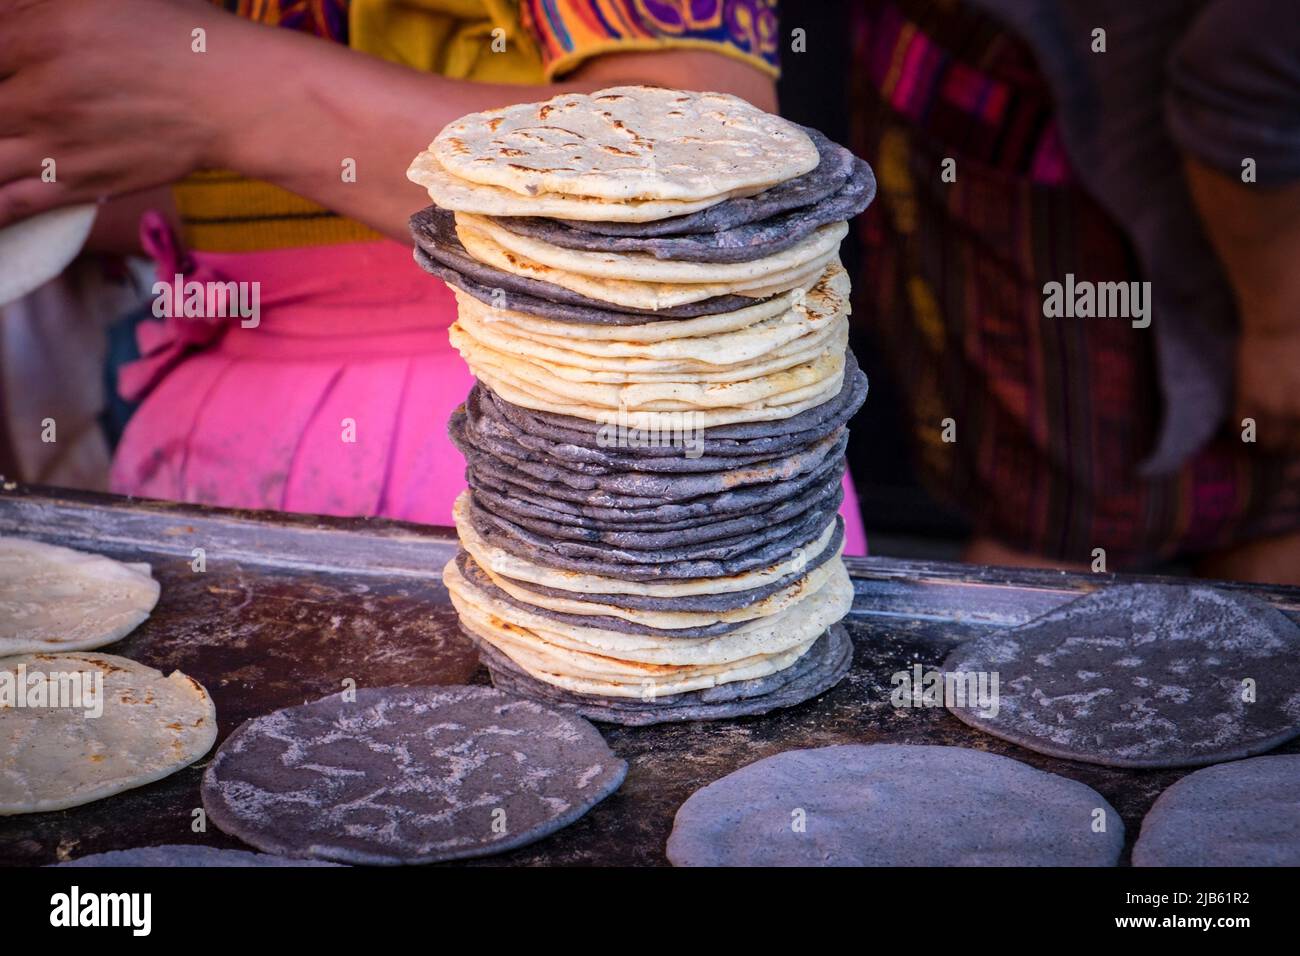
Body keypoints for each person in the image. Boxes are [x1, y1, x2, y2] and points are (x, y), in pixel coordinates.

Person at [0, 0, 869, 553]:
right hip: (212, 460)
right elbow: (238, 194)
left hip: (563, 455)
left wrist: (223, 94)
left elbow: (706, 172)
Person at [850, 0, 1300, 584]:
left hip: (1250, 168)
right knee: (1060, 521)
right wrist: (1279, 327)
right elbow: (1243, 90)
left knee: (1274, 505)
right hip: (1051, 123)